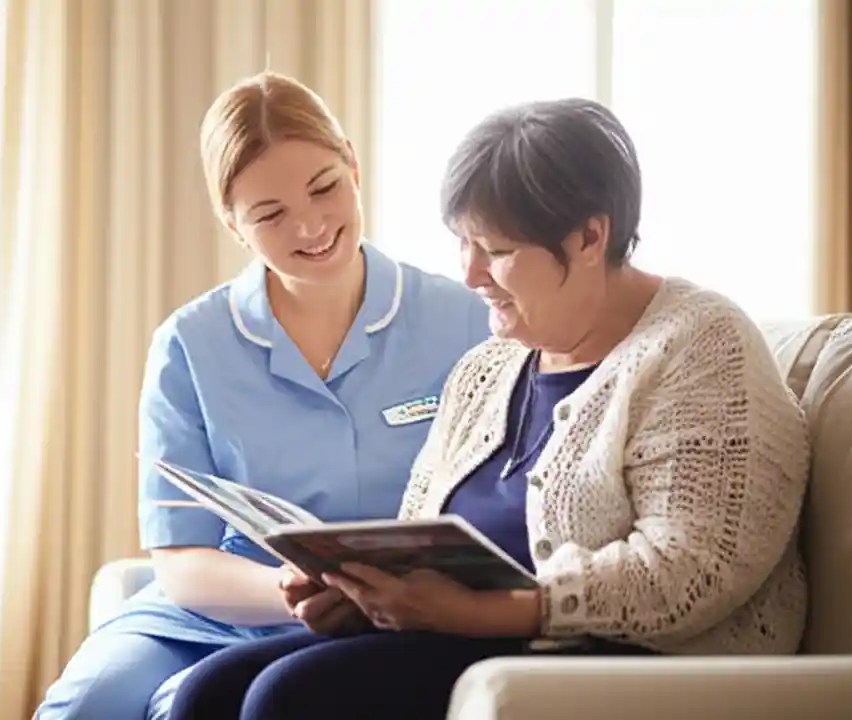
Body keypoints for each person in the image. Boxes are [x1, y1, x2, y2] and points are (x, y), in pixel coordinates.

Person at [167, 97, 812, 720]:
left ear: (590, 236)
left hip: (616, 660)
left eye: (497, 251)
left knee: (289, 699)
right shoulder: (488, 368)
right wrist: (365, 595)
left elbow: (686, 572)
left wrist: (483, 613)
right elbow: (419, 531)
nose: (470, 274)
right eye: (463, 244)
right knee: (207, 693)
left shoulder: (699, 345)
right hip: (465, 642)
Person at [33, 72, 491, 720]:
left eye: (324, 187)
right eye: (270, 214)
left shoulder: (465, 320)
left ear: (353, 167)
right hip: (228, 607)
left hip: (403, 615)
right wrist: (287, 589)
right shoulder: (190, 343)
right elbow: (181, 558)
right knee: (88, 706)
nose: (310, 225)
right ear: (233, 223)